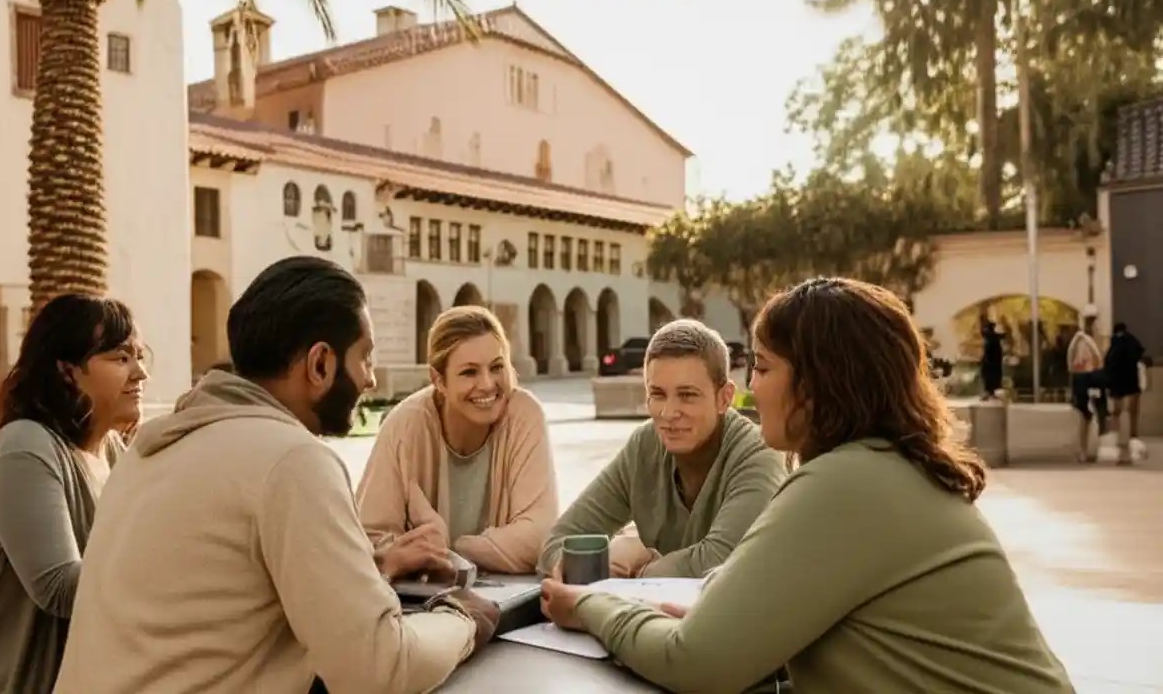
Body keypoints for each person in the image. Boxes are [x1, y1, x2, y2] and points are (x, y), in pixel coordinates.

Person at [540, 277, 1073, 693]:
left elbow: (696, 663)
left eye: (765, 367)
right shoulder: (880, 467)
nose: (751, 388)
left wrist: (590, 606)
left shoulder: (845, 483)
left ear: (818, 384)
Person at [54, 257, 498, 693]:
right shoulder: (292, 461)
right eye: (365, 357)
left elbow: (221, 597)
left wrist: (377, 566)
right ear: (320, 364)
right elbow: (377, 669)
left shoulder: (152, 447)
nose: (370, 381)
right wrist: (461, 619)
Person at [0, 294, 147, 694]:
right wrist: (173, 565)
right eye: (120, 358)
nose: (140, 373)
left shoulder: (112, 452)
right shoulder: (26, 448)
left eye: (140, 357)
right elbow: (58, 588)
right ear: (67, 370)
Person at [537, 319, 787, 580]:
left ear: (724, 397)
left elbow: (722, 561)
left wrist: (638, 568)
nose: (668, 413)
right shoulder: (645, 446)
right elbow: (559, 542)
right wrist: (592, 564)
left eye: (687, 395)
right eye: (657, 394)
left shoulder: (758, 454)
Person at [357, 305, 558, 574]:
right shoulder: (406, 425)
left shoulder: (524, 415)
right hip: (423, 605)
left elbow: (539, 537)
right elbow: (367, 544)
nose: (487, 384)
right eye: (469, 372)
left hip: (511, 600)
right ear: (438, 380)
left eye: (497, 367)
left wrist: (451, 549)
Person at [1068, 306, 1115, 462]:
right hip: (1084, 377)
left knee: (1095, 414)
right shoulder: (1081, 339)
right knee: (1085, 414)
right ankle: (1083, 449)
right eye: (1090, 320)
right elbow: (1075, 361)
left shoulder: (1093, 338)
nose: (1093, 324)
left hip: (1091, 377)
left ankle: (1090, 448)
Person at [1104, 322, 1151, 464]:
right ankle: (1131, 438)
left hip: (1118, 386)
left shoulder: (1115, 343)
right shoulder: (1132, 341)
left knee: (1118, 413)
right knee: (1131, 413)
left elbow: (1109, 362)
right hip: (1131, 385)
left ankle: (1121, 445)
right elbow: (1140, 353)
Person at [979, 312, 1004, 400]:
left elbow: (982, 332)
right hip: (993, 363)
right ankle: (990, 392)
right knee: (992, 378)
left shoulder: (991, 337)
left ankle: (989, 392)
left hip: (990, 363)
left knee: (990, 378)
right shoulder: (994, 337)